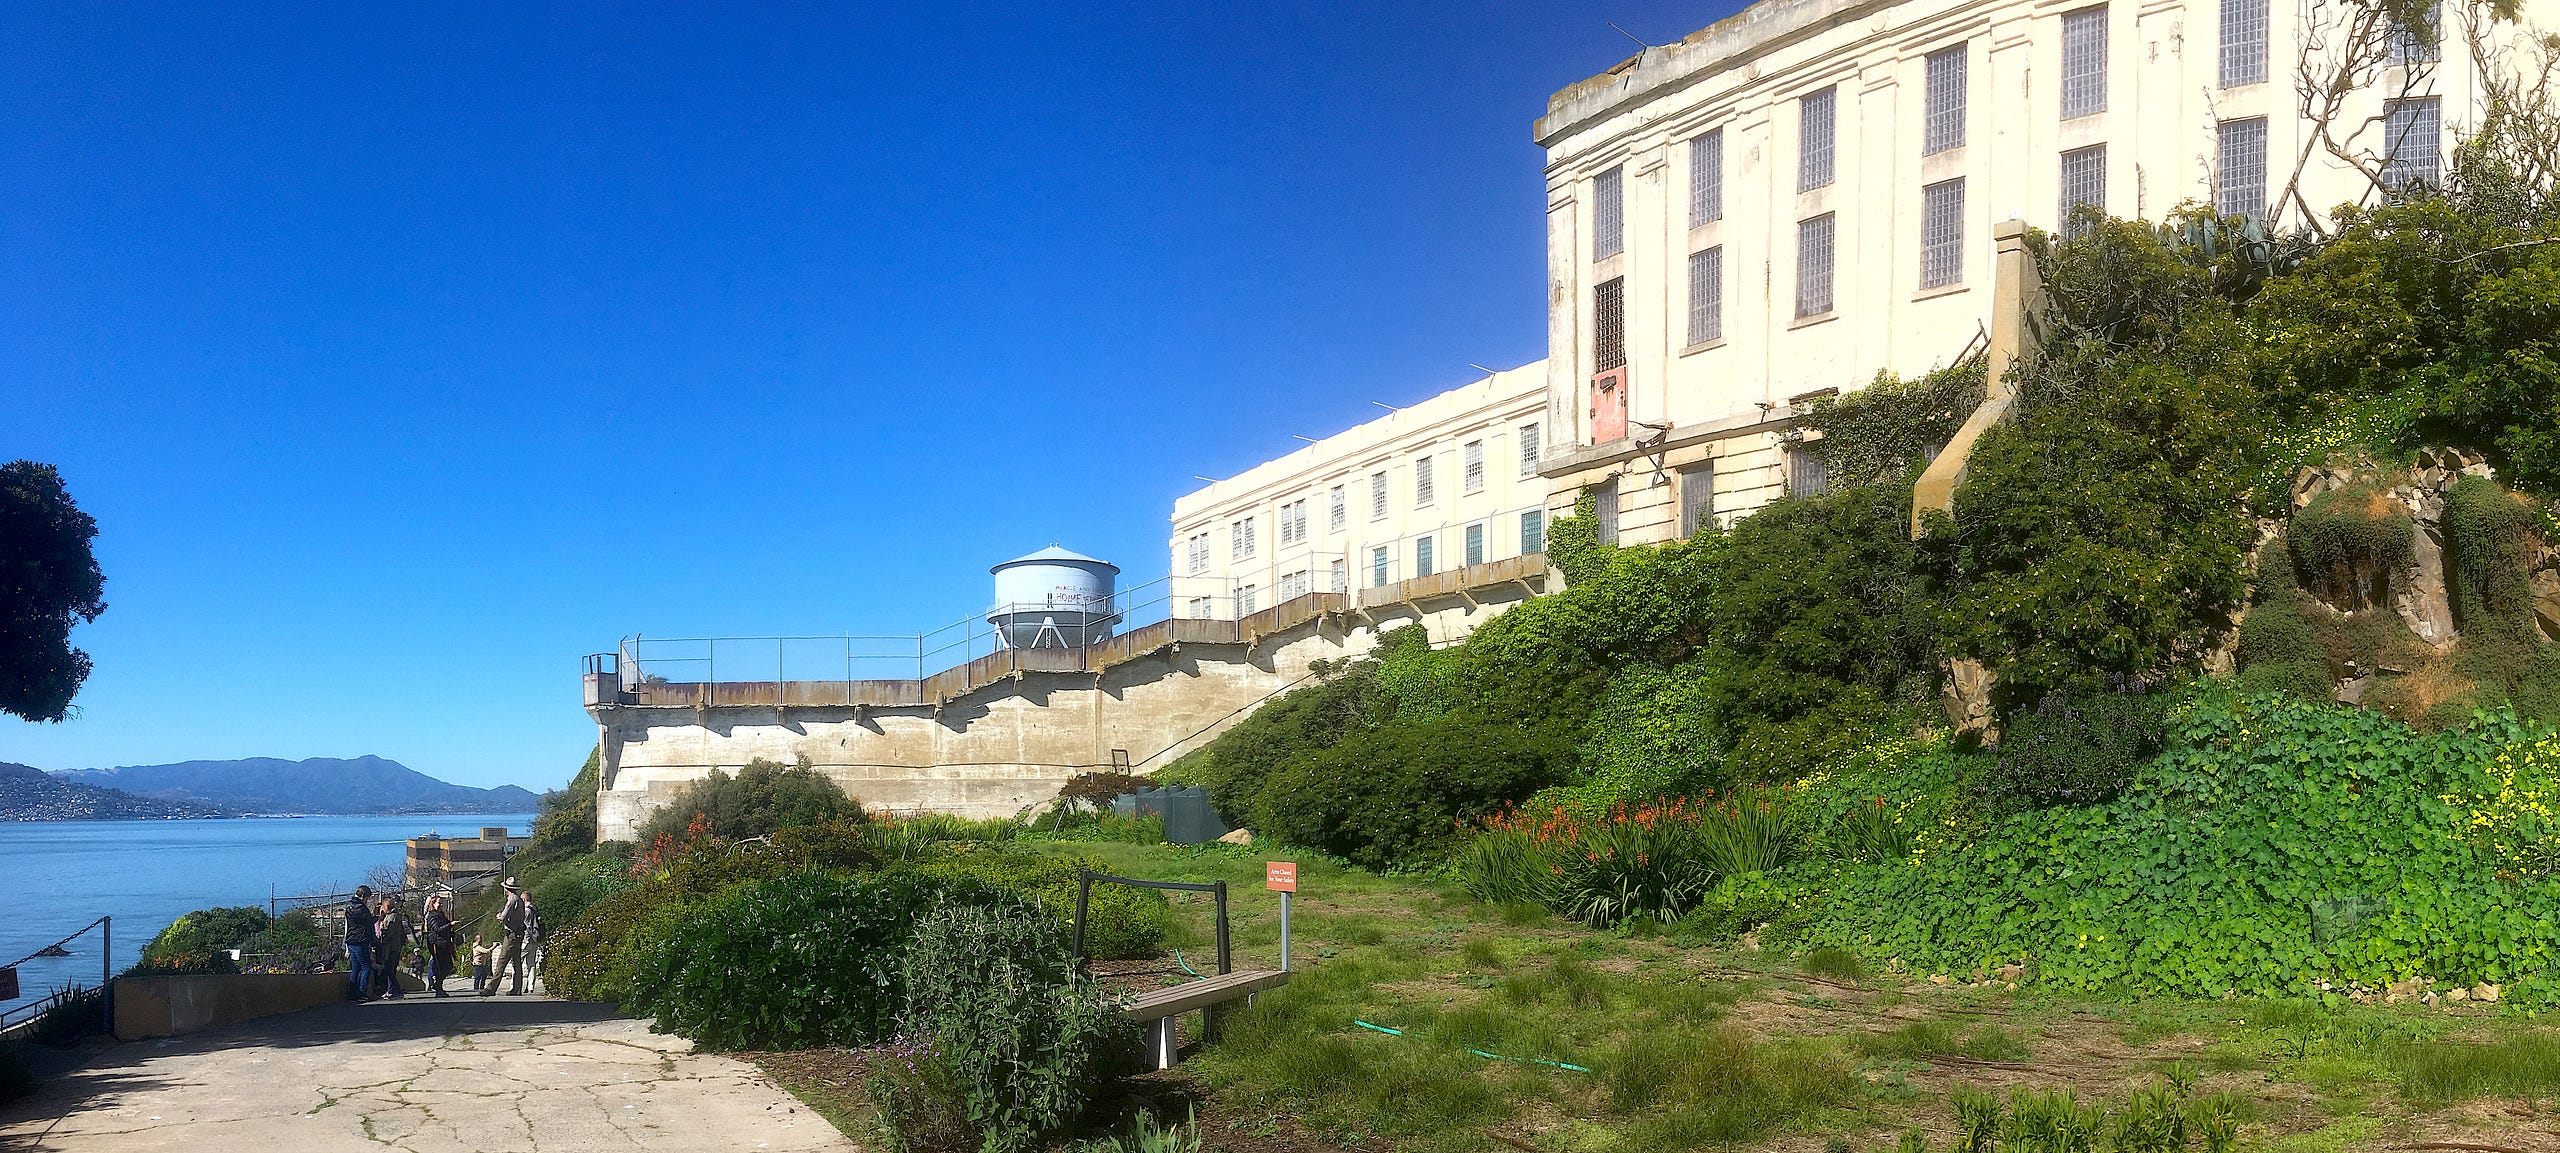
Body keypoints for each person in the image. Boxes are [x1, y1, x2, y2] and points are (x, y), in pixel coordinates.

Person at [483, 878, 532, 996]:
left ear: (506, 889)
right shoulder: (519, 900)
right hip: (519, 933)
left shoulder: (511, 900)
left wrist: (499, 916)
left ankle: (491, 988)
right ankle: (516, 988)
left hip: (511, 934)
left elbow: (504, 916)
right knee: (517, 962)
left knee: (502, 961)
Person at [342, 885, 378, 1001]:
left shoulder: (349, 907)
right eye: (367, 898)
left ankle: (352, 993)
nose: (367, 901)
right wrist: (377, 917)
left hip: (351, 940)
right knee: (366, 967)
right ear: (363, 896)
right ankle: (362, 992)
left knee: (355, 968)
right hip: (360, 940)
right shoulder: (362, 909)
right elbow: (368, 924)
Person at [373, 897, 412, 1000]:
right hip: (394, 947)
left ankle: (396, 990)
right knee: (390, 969)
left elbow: (390, 933)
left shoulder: (392, 918)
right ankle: (391, 990)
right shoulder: (393, 916)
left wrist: (383, 929)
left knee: (389, 969)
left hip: (391, 948)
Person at [423, 894, 459, 998]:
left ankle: (438, 985)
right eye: (438, 902)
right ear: (433, 904)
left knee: (448, 966)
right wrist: (450, 924)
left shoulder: (441, 915)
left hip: (444, 943)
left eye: (441, 903)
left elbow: (446, 928)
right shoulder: (432, 916)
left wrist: (452, 932)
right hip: (436, 944)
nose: (441, 905)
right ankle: (438, 987)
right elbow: (437, 929)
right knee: (441, 967)